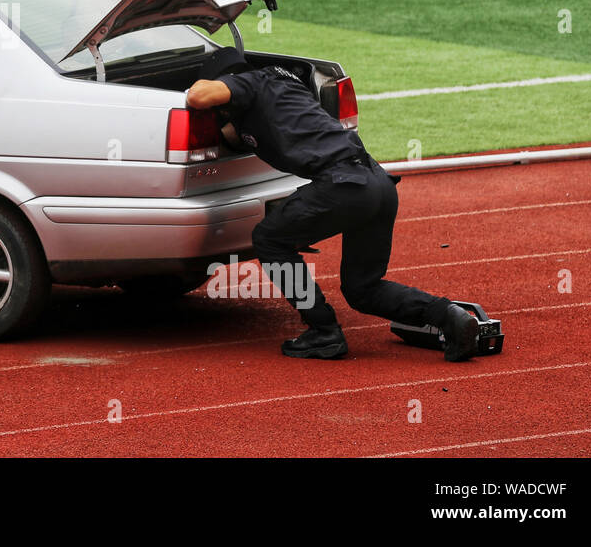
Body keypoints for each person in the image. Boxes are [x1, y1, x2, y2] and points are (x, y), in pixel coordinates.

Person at [186, 46, 480, 361]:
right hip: (377, 181)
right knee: (362, 289)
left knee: (268, 238)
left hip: (345, 185)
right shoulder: (283, 85)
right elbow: (241, 132)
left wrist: (199, 92)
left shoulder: (249, 82)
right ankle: (450, 317)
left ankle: (323, 331)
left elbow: (198, 97)